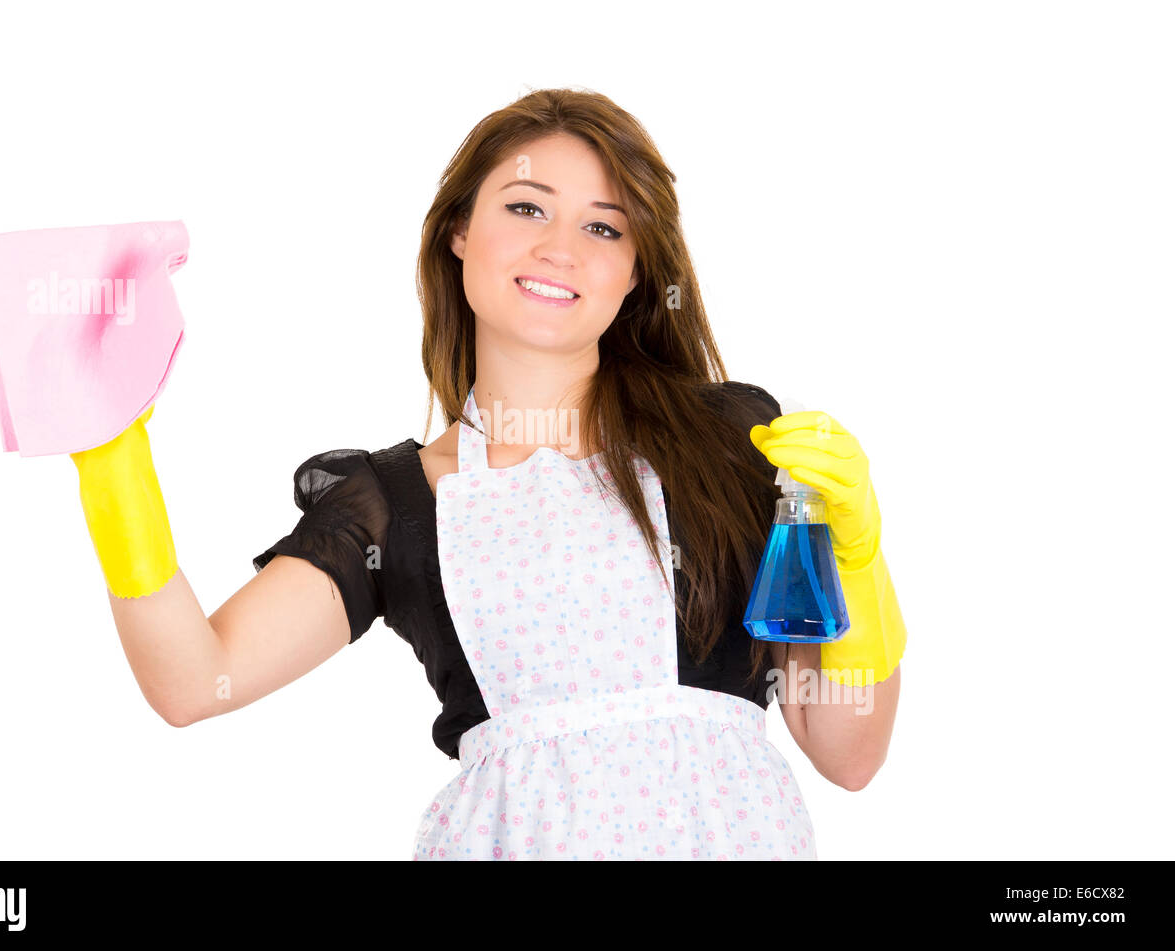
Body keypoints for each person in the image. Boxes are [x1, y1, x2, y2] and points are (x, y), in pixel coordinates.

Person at [70, 87, 906, 861]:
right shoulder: (396, 507)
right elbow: (194, 680)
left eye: (604, 228)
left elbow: (848, 751)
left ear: (637, 270)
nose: (560, 249)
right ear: (459, 231)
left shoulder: (731, 447)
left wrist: (860, 563)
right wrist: (112, 455)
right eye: (526, 208)